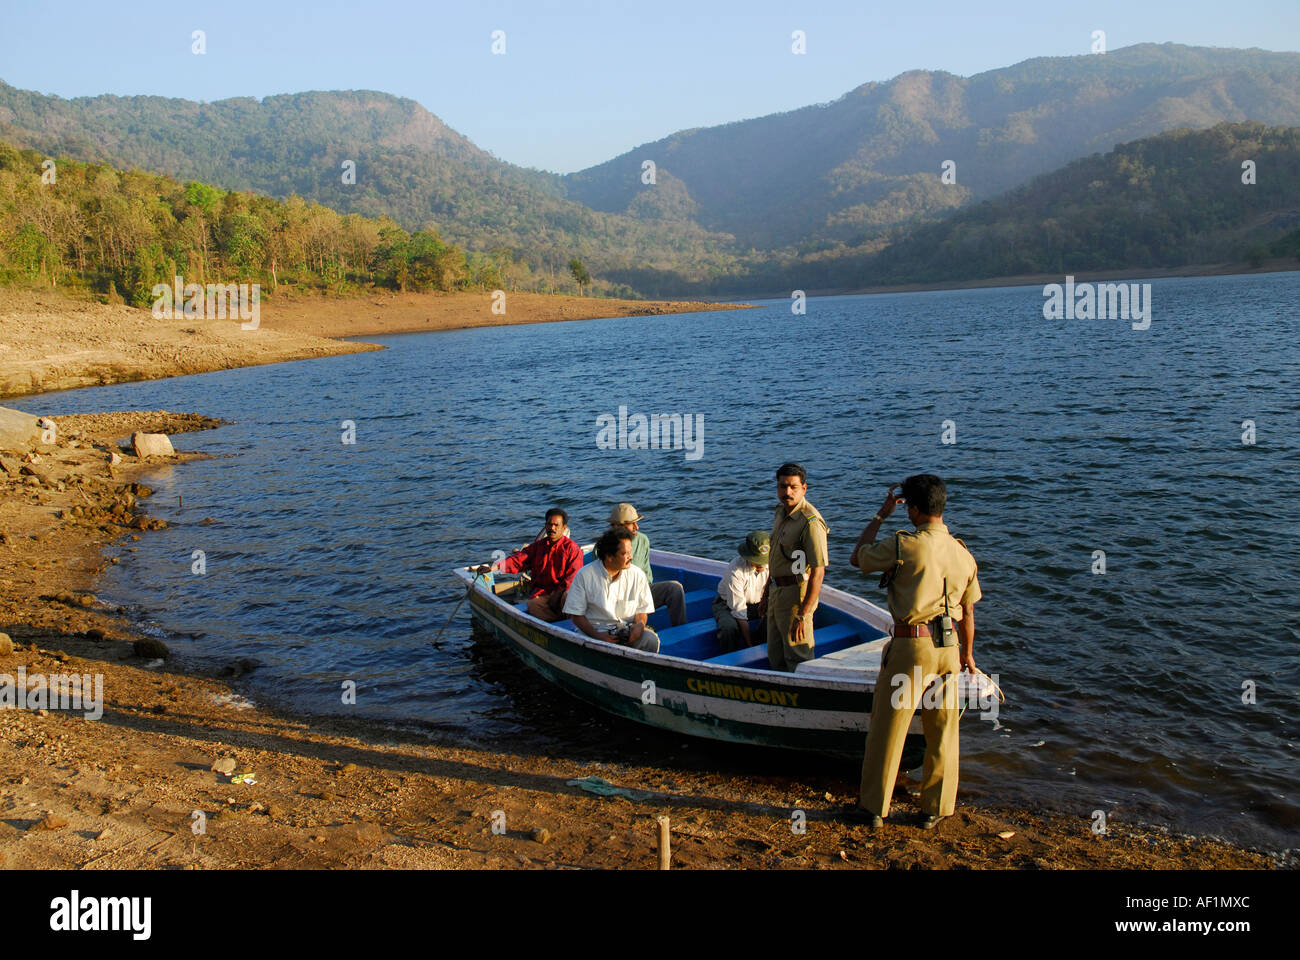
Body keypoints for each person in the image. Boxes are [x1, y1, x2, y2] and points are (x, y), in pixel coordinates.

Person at [847, 474, 981, 830]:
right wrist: (968, 655)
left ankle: (874, 808)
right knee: (943, 729)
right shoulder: (963, 554)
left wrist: (880, 516)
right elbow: (968, 612)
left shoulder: (904, 545)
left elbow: (857, 559)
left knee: (889, 728)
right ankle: (934, 809)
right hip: (949, 649)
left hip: (913, 646)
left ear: (915, 509)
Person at [764, 463, 829, 671]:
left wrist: (803, 613)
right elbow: (775, 556)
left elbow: (818, 571)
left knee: (798, 658)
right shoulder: (780, 514)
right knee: (775, 655)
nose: (787, 492)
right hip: (777, 592)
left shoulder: (810, 522)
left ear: (804, 488)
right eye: (782, 486)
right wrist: (766, 592)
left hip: (796, 596)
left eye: (793, 487)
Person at [475, 508, 582, 622]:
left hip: (563, 592)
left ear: (564, 528)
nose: (552, 528)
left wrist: (558, 594)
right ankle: (555, 623)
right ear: (545, 526)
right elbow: (517, 560)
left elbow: (573, 577)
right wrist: (493, 568)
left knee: (570, 597)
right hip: (543, 593)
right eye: (549, 525)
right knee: (533, 605)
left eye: (556, 525)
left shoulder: (572, 549)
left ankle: (574, 623)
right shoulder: (537, 547)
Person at [563, 528, 660, 653]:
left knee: (650, 640)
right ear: (609, 557)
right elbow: (576, 616)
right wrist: (599, 636)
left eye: (630, 552)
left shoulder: (637, 574)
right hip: (593, 633)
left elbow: (642, 611)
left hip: (625, 630)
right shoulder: (585, 575)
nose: (630, 557)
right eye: (624, 554)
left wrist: (639, 626)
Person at [607, 503, 686, 627]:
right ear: (617, 526)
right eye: (631, 524)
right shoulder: (604, 548)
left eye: (636, 523)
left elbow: (647, 577)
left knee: (675, 588)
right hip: (618, 600)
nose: (636, 527)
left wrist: (642, 597)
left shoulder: (643, 540)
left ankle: (680, 629)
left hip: (642, 593)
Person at [713, 530, 770, 652]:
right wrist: (750, 648)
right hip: (728, 604)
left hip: (760, 602)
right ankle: (730, 657)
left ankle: (765, 648)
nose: (762, 565)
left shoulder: (772, 565)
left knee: (776, 618)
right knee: (728, 628)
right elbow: (739, 610)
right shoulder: (735, 570)